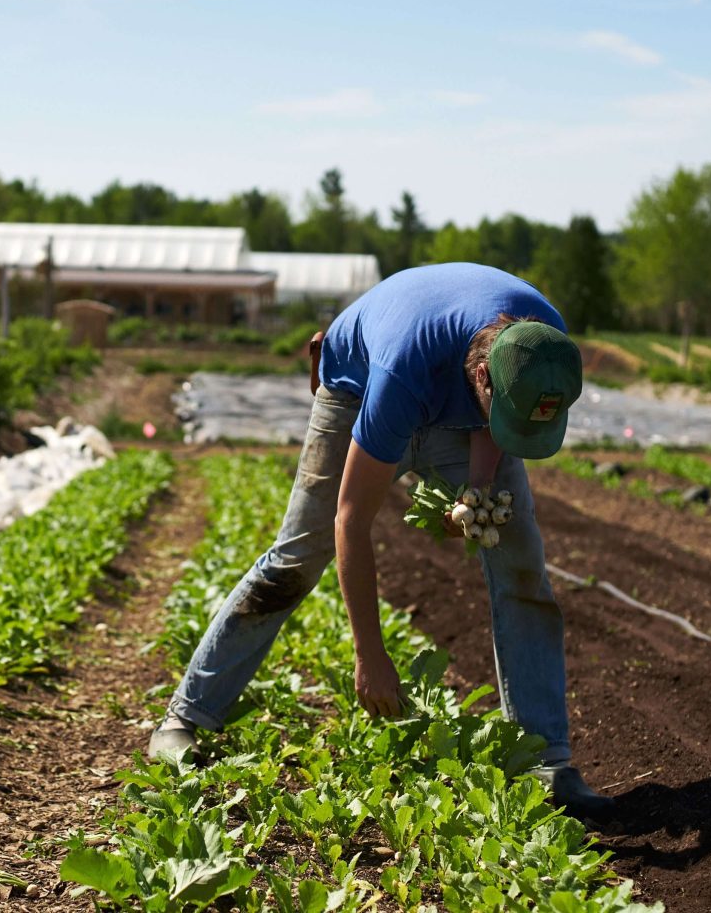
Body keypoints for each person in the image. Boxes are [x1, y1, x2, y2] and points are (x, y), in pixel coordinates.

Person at [148, 262, 614, 818]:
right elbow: (352, 520)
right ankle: (185, 718)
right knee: (296, 557)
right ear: (484, 376)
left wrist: (477, 488)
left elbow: (498, 419)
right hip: (359, 391)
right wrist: (370, 655)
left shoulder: (543, 350)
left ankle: (546, 761)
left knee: (521, 566)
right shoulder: (403, 369)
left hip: (457, 394)